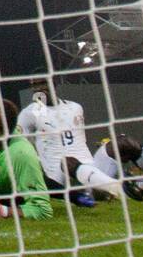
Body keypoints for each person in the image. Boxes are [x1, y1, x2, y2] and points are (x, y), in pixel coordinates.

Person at [15, 78, 97, 208]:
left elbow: (81, 140)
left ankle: (110, 186)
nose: (38, 88)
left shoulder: (75, 107)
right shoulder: (29, 113)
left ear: (54, 84)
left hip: (87, 164)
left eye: (42, 83)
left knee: (120, 143)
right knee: (68, 162)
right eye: (34, 85)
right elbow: (19, 144)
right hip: (57, 175)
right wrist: (37, 164)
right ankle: (98, 189)